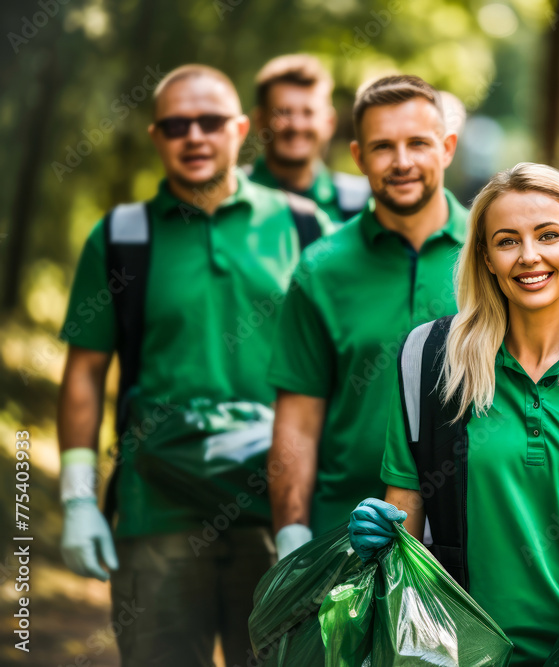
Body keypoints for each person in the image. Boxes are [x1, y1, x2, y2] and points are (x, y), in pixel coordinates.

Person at [57, 64, 335, 667]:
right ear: (157, 136)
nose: (195, 137)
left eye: (210, 122)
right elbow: (84, 373)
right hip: (156, 512)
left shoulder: (306, 227)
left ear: (241, 129)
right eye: (177, 124)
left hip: (280, 514)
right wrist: (77, 500)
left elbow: (349, 362)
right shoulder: (123, 236)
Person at [348, 162, 559, 665]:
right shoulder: (432, 361)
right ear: (485, 255)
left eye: (548, 235)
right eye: (507, 241)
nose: (529, 257)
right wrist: (378, 546)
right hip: (461, 653)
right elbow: (406, 518)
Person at [267, 75, 468, 560]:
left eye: (418, 143)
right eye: (383, 147)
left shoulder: (497, 254)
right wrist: (292, 533)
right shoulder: (322, 268)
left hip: (473, 544)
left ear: (446, 148)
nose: (402, 162)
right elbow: (298, 420)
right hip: (345, 541)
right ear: (358, 158)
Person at [246, 54, 371, 221]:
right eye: (284, 112)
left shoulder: (362, 204)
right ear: (259, 121)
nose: (297, 126)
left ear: (329, 122)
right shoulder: (231, 198)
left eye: (308, 113)